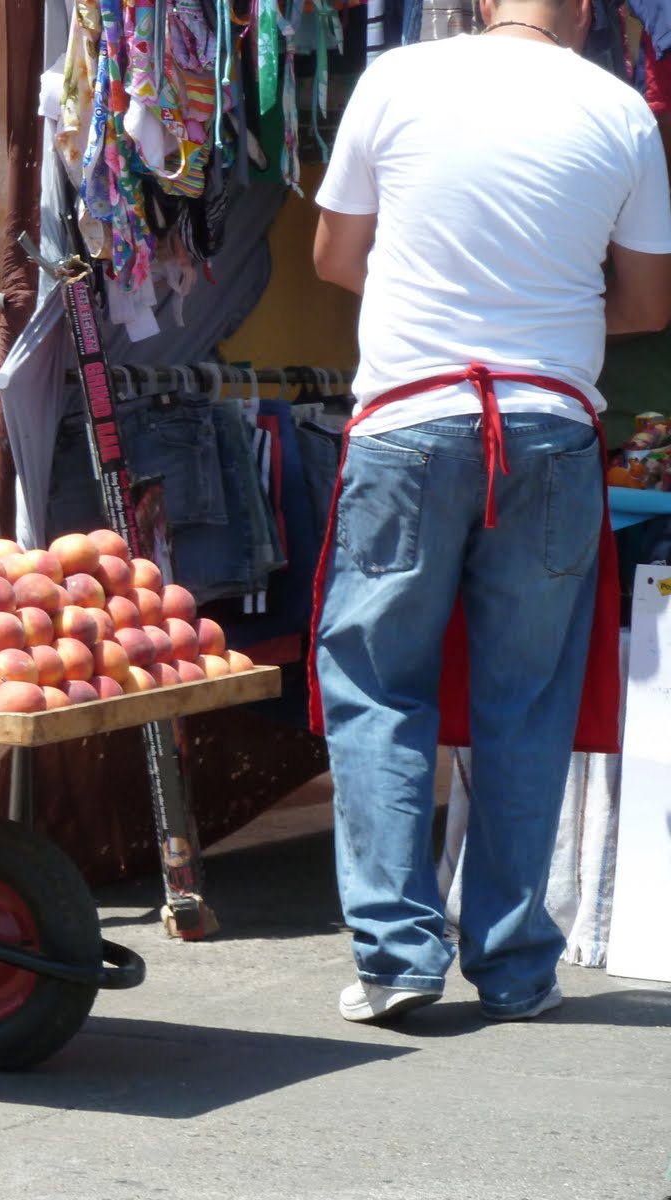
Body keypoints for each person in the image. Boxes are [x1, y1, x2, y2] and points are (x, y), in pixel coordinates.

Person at [310, 0, 671, 1024]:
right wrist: (545, 314)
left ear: (473, 2)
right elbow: (647, 306)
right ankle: (513, 969)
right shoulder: (620, 110)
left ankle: (396, 959)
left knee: (380, 687)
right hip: (551, 426)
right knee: (526, 701)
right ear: (590, 13)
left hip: (409, 417)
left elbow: (337, 259)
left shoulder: (394, 81)